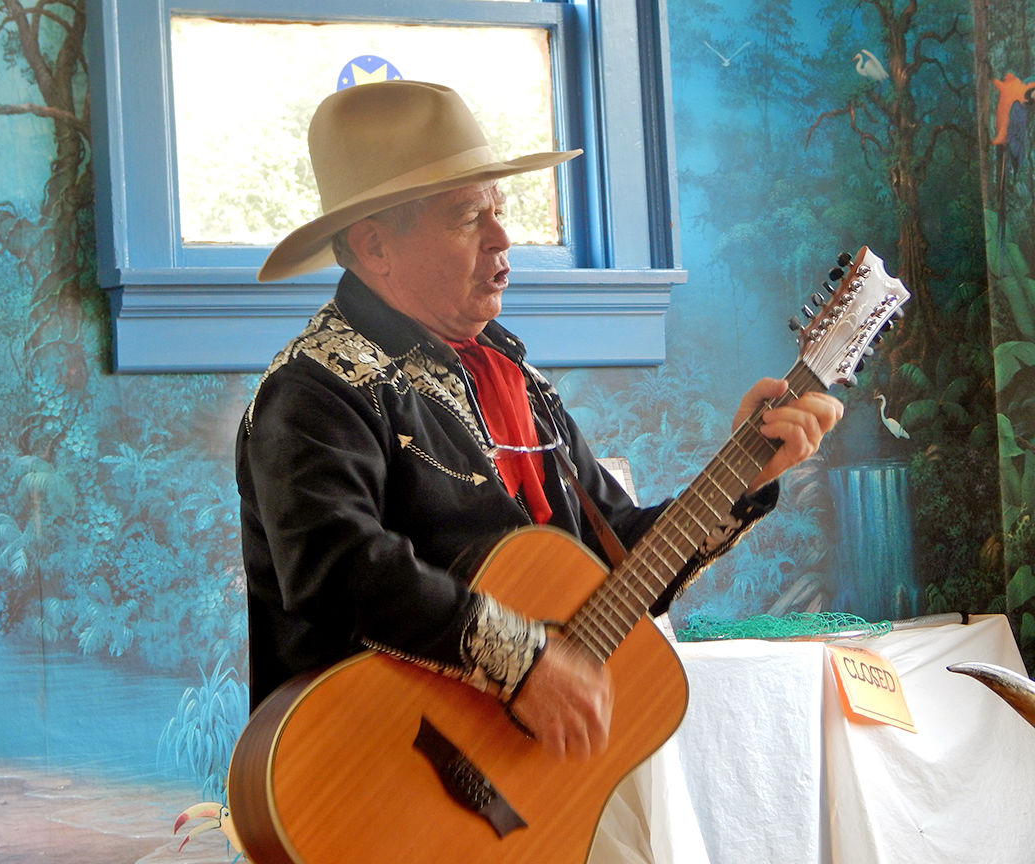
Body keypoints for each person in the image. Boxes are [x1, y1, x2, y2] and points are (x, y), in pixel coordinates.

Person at [236, 80, 843, 760]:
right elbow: (340, 570)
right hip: (369, 772)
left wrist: (743, 476)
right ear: (375, 246)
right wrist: (521, 662)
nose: (503, 238)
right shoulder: (314, 390)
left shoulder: (515, 376)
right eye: (469, 217)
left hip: (522, 780)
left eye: (499, 210)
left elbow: (615, 556)